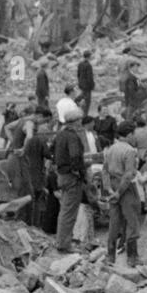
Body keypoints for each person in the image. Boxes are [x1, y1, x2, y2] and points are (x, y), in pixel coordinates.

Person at [103, 121, 142, 266]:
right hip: (125, 189)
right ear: (129, 134)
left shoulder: (111, 149)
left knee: (114, 222)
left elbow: (104, 171)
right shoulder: (130, 151)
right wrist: (119, 192)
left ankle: (110, 255)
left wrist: (109, 189)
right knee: (132, 222)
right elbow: (128, 175)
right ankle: (132, 257)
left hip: (113, 185)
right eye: (133, 134)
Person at [53, 99, 89, 250]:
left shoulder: (60, 135)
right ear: (76, 121)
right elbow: (75, 157)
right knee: (69, 212)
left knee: (64, 211)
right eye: (80, 120)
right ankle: (64, 244)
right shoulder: (73, 136)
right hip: (71, 177)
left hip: (62, 175)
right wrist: (80, 171)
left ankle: (61, 240)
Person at [21, 115, 50, 230]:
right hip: (37, 173)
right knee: (37, 200)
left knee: (28, 199)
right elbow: (48, 155)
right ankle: (36, 225)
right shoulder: (40, 140)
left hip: (27, 172)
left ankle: (27, 223)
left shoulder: (27, 141)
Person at [77, 50, 95, 117]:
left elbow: (78, 74)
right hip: (87, 86)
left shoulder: (80, 64)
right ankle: (85, 115)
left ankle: (76, 102)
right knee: (87, 101)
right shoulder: (88, 65)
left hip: (81, 84)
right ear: (89, 56)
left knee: (82, 96)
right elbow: (89, 77)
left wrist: (79, 82)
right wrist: (92, 86)